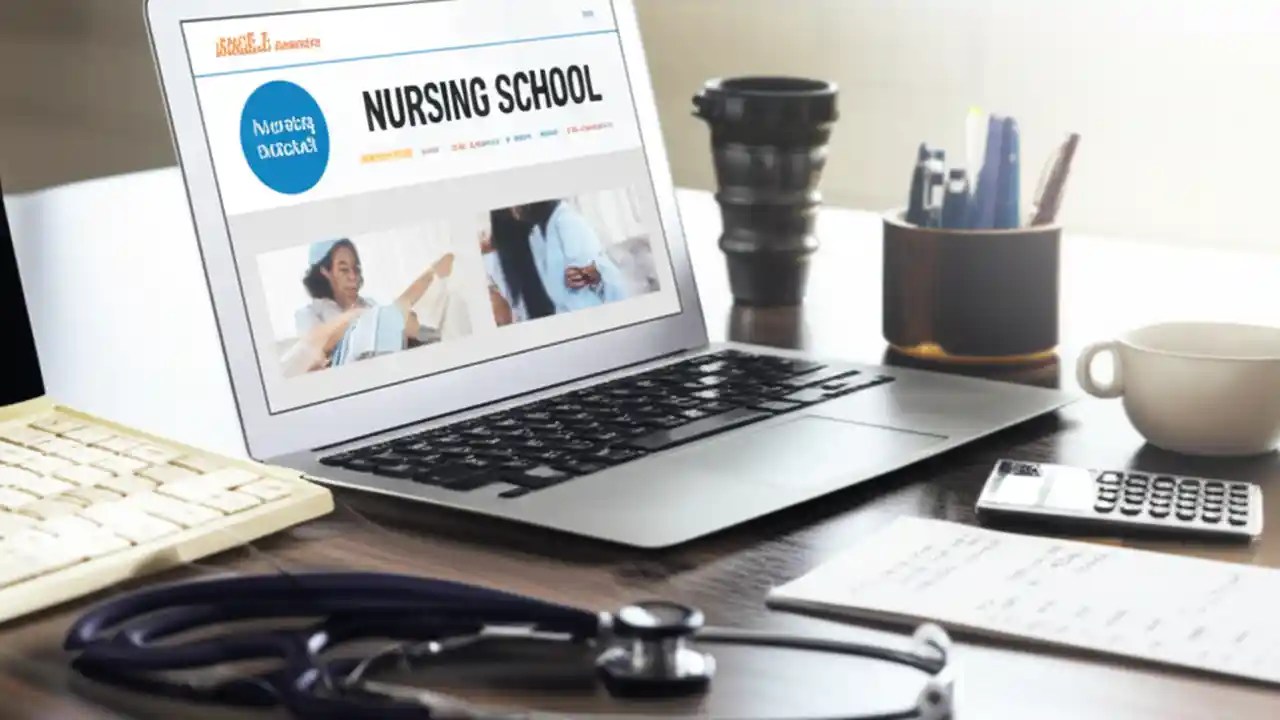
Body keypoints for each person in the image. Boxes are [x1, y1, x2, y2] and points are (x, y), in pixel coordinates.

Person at [282, 238, 455, 375]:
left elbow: (399, 308)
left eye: (356, 269)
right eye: (343, 270)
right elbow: (315, 344)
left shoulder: (369, 304)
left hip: (392, 364)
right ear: (325, 273)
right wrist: (361, 315)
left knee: (409, 320)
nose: (353, 277)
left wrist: (431, 273)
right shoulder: (310, 313)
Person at [483, 199, 628, 325]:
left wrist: (594, 274)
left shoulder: (567, 222)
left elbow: (611, 282)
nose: (514, 210)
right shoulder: (536, 237)